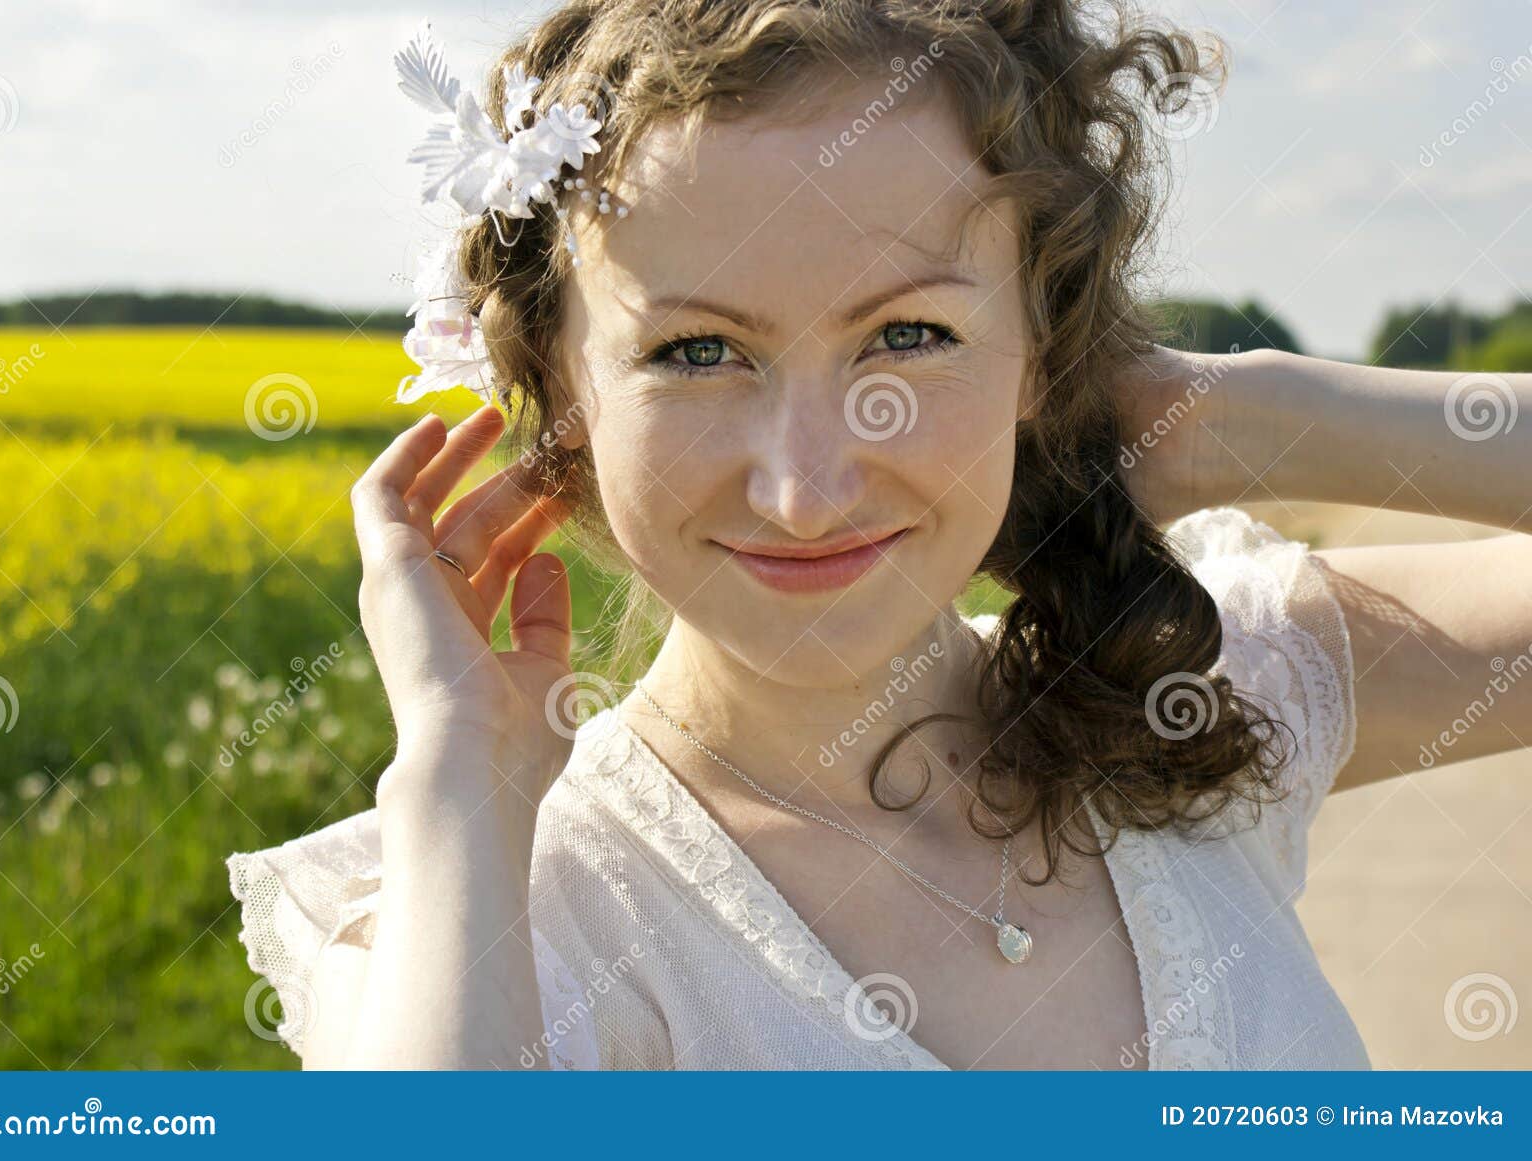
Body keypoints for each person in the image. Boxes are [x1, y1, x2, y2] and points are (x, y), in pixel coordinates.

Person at [225, 0, 1532, 1069]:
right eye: (696, 351)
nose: (804, 487)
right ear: (560, 400)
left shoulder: (1212, 685)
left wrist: (1237, 414)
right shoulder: (497, 926)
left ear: (1043, 346)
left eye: (910, 335)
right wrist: (458, 779)